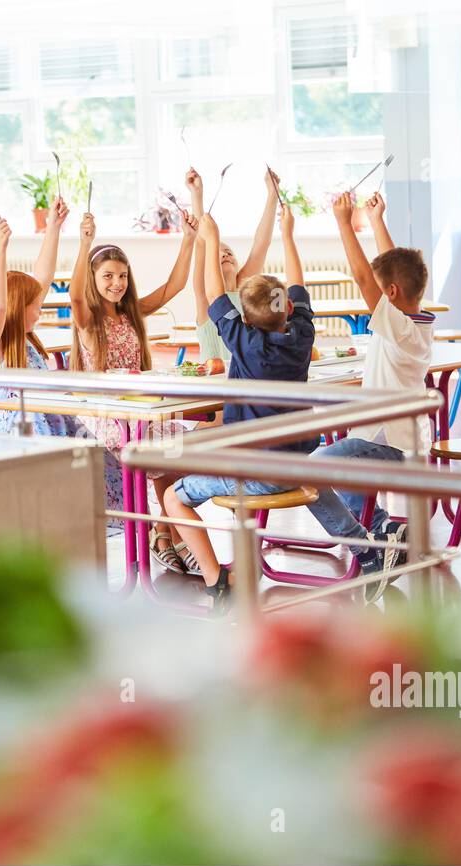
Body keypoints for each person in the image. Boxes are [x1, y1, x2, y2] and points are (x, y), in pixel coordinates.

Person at [162, 203, 316, 614]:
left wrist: (210, 238)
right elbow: (297, 285)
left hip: (258, 473)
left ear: (243, 318)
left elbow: (213, 294)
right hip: (302, 464)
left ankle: (217, 582)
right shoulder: (301, 334)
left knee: (174, 498)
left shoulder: (244, 344)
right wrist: (289, 236)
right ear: (286, 308)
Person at [304, 190, 434, 603]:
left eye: (381, 292)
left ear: (390, 294)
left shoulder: (401, 327)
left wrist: (344, 223)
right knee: (339, 462)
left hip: (392, 447)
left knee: (308, 472)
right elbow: (390, 272)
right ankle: (386, 530)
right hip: (383, 440)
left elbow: (366, 279)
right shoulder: (412, 318)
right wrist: (377, 220)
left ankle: (370, 548)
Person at [69, 204, 197, 568]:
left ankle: (163, 532)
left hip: (139, 409)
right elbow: (75, 297)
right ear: (94, 279)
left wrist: (187, 239)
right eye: (108, 276)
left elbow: (175, 286)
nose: (116, 283)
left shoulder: (131, 313)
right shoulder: (88, 320)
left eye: (122, 276)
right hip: (107, 413)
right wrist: (84, 242)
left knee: (176, 456)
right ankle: (168, 535)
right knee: (162, 454)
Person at [0, 198, 79, 436]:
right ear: (18, 307)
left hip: (54, 432)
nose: (39, 306)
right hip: (20, 441)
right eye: (34, 303)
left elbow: (43, 277)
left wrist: (53, 227)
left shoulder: (24, 335)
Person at [186, 166, 283, 366]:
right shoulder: (206, 296)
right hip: (214, 382)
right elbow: (202, 244)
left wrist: (273, 196)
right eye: (219, 252)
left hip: (245, 377)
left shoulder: (242, 290)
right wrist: (197, 195)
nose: (225, 253)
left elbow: (260, 245)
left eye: (228, 250)